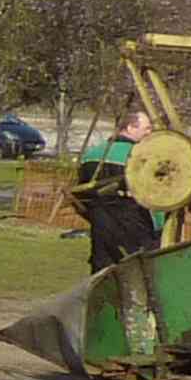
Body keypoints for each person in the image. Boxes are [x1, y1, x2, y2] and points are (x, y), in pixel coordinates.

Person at [76, 108, 159, 274]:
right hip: (136, 224)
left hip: (100, 224)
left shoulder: (91, 154)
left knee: (103, 272)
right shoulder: (142, 157)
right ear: (129, 128)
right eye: (147, 128)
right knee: (139, 272)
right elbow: (156, 197)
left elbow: (81, 195)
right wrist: (159, 227)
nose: (150, 133)